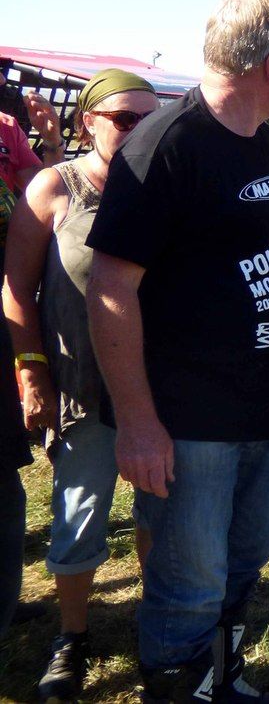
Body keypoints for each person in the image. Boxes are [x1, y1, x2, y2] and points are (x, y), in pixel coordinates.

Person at [86, 0, 269, 702]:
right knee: (189, 580)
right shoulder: (166, 146)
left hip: (265, 404)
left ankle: (224, 681)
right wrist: (137, 422)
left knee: (246, 558)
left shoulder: (263, 137)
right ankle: (177, 687)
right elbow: (110, 289)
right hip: (191, 418)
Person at [3, 69, 157, 701]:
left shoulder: (165, 185)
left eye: (151, 119)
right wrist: (32, 371)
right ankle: (72, 636)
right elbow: (16, 289)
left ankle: (158, 618)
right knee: (78, 512)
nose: (139, 131)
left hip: (156, 387)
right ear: (88, 121)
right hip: (81, 386)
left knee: (159, 508)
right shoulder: (53, 188)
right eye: (125, 119)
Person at [0, 91, 64, 641]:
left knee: (4, 478)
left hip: (7, 310)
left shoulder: (5, 129)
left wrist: (51, 145)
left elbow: (34, 204)